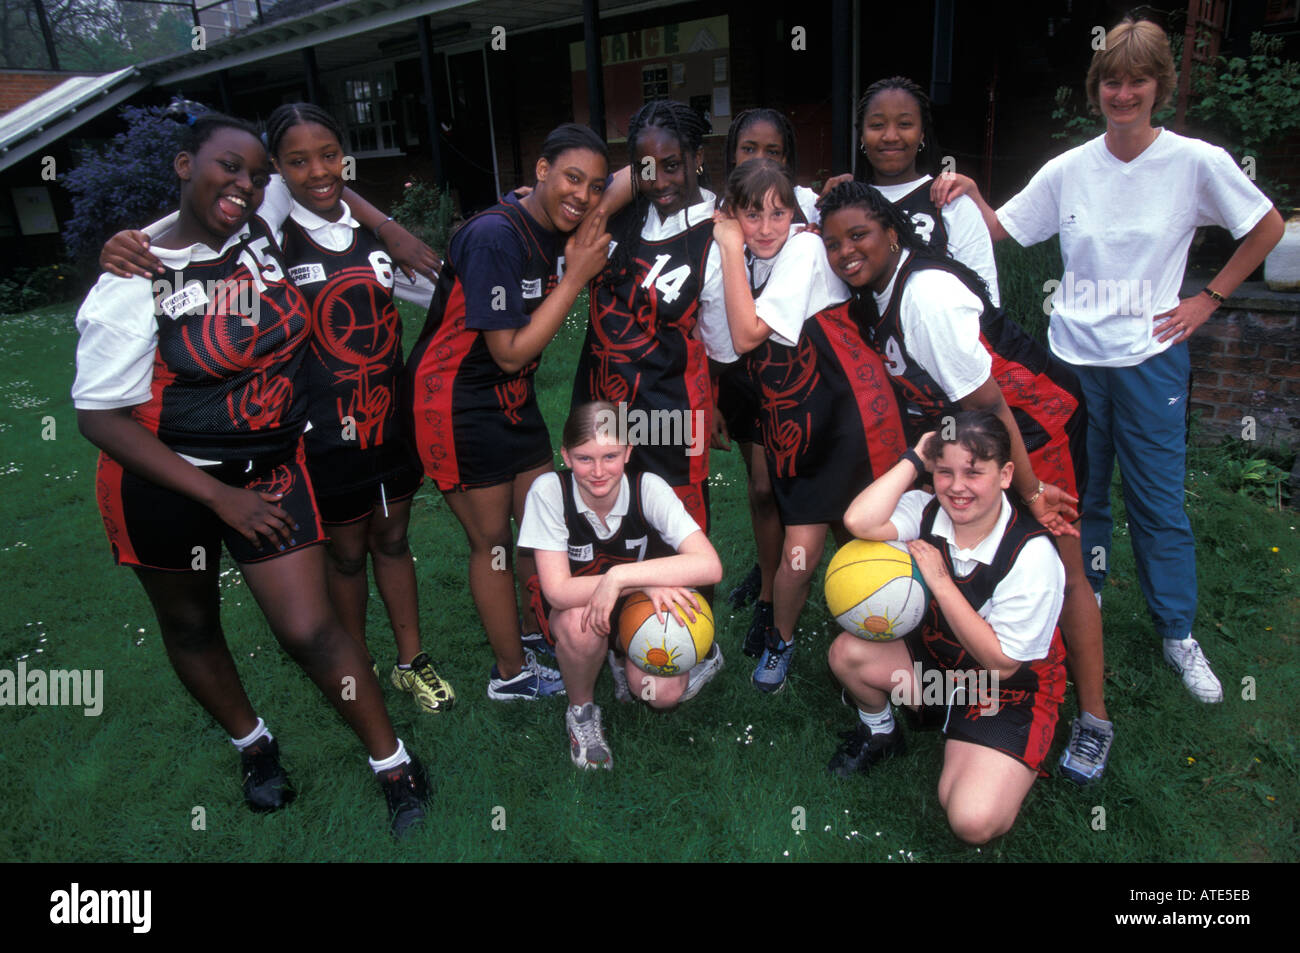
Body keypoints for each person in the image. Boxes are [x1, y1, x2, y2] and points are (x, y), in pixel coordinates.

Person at [72, 112, 430, 837]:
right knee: (191, 623)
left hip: (270, 470)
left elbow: (322, 179)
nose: (245, 184)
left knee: (310, 627)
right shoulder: (132, 278)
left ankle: (392, 760)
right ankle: (253, 744)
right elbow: (97, 418)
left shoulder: (254, 221)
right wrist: (216, 498)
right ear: (183, 165)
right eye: (227, 169)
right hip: (164, 486)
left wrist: (387, 225)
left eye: (255, 173)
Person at [932, 17, 1283, 704]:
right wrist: (971, 192)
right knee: (1078, 497)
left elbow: (1266, 224)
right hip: (1071, 362)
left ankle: (1176, 631)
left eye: (1137, 81)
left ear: (1159, 87)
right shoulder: (1071, 168)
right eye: (1112, 81)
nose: (1123, 94)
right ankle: (1080, 602)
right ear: (1097, 90)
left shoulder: (1194, 162)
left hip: (1151, 359)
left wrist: (1207, 299)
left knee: (1156, 501)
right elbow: (1007, 227)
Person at [819, 180, 1112, 784]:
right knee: (968, 548)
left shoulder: (924, 295)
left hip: (1033, 428)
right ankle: (960, 675)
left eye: (859, 235)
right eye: (833, 242)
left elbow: (995, 405)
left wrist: (1028, 491)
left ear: (892, 233)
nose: (846, 251)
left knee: (1065, 565)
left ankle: (1091, 717)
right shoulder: (875, 290)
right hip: (972, 438)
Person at [405, 122, 613, 700]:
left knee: (541, 526)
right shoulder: (496, 236)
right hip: (456, 401)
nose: (585, 195)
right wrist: (573, 278)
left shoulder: (555, 217)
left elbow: (625, 181)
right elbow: (507, 351)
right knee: (492, 541)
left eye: (595, 187)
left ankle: (533, 629)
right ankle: (510, 674)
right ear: (540, 171)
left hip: (512, 400)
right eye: (572, 177)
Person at [713, 160, 908, 694]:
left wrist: (731, 246)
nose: (768, 226)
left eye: (780, 211)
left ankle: (887, 635)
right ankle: (785, 636)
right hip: (793, 423)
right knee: (804, 552)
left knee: (852, 536)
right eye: (752, 215)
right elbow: (721, 341)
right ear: (732, 214)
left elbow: (747, 333)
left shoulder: (799, 250)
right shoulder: (750, 263)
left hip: (845, 417)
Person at [832, 413, 1067, 844]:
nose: (957, 486)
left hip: (1007, 693)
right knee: (848, 652)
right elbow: (859, 522)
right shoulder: (926, 510)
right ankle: (881, 731)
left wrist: (939, 579)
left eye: (974, 472)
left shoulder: (1032, 555)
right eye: (945, 471)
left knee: (970, 818)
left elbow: (1001, 664)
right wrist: (915, 457)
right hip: (941, 667)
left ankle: (979, 737)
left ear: (1005, 474)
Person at [517, 401, 724, 770]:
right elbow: (558, 592)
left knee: (662, 694)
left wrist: (623, 579)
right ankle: (581, 713)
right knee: (582, 628)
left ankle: (625, 655)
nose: (598, 472)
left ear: (629, 451)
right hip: (579, 608)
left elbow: (710, 566)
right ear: (564, 454)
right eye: (584, 458)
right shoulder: (548, 492)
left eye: (610, 456)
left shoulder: (649, 488)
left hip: (634, 607)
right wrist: (641, 583)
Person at [573, 100, 733, 538]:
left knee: (679, 536)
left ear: (697, 159)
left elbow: (721, 347)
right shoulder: (623, 216)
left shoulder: (717, 232)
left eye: (672, 165)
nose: (659, 181)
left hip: (671, 417)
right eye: (647, 168)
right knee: (608, 529)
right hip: (600, 407)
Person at [716, 108, 815, 658]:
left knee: (772, 483)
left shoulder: (801, 209)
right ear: (732, 152)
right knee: (758, 489)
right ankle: (769, 572)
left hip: (786, 372)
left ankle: (778, 597)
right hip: (737, 372)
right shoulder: (718, 214)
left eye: (773, 151)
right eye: (749, 148)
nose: (760, 159)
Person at [821, 76, 999, 304]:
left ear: (922, 134)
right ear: (862, 136)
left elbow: (986, 300)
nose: (890, 136)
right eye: (877, 125)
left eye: (905, 124)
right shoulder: (840, 205)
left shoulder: (951, 202)